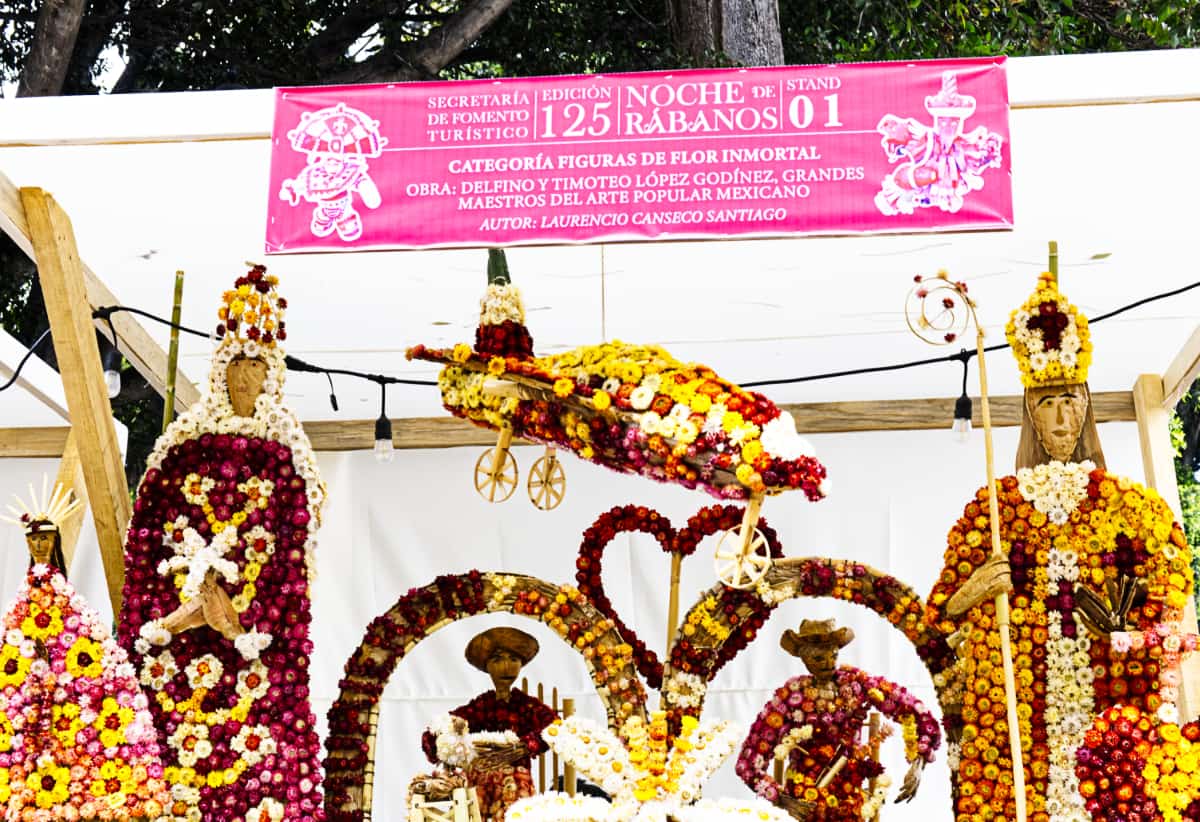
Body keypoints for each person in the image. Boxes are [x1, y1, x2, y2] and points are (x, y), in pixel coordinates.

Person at [925, 270, 1194, 821]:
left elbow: (1171, 609)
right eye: (1047, 403)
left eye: (1071, 400)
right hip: (1015, 722)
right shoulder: (992, 511)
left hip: (1110, 706)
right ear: (1029, 411)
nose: (1062, 417)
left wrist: (1131, 634)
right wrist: (973, 590)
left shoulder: (1132, 507)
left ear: (1087, 405)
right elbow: (938, 621)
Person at [735, 619, 940, 821]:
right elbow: (748, 762)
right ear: (804, 659)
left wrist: (918, 762)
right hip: (805, 796)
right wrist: (783, 800)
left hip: (851, 792)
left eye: (833, 655)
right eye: (818, 658)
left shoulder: (856, 682)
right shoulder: (790, 696)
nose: (829, 663)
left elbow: (913, 711)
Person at [422, 626, 558, 821]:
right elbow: (435, 732)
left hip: (517, 785)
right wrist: (452, 735)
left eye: (513, 659)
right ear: (487, 666)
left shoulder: (526, 706)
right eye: (497, 659)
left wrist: (525, 746)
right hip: (480, 788)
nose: (506, 667)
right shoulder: (480, 706)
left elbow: (555, 727)